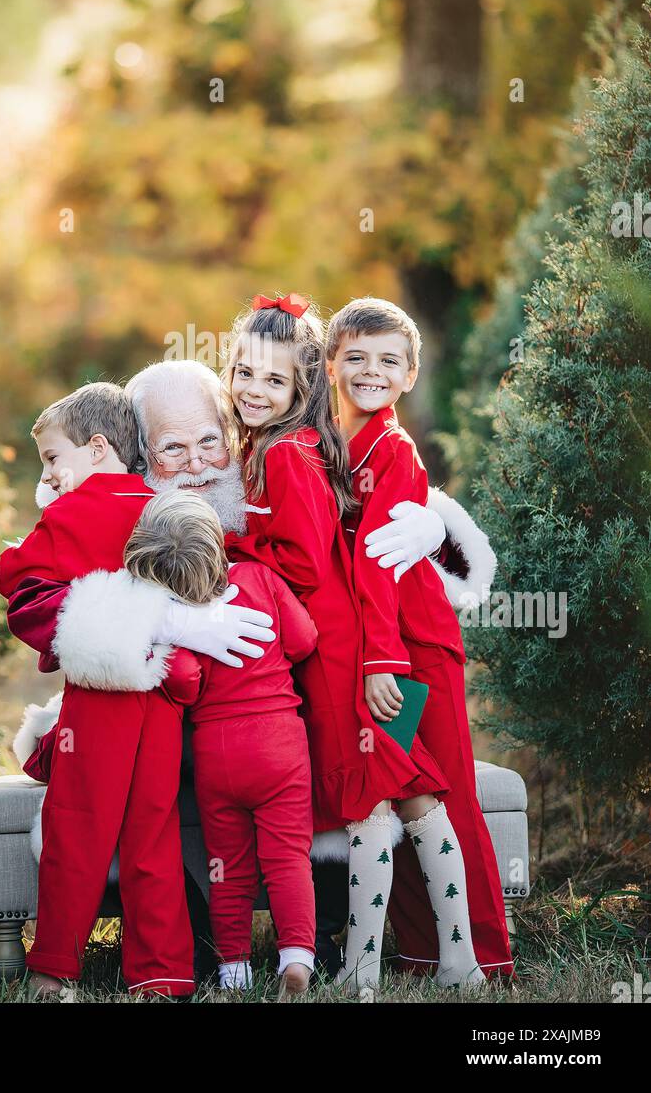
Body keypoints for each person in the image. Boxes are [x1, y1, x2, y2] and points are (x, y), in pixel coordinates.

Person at [219, 293, 482, 989]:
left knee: (377, 796)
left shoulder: (289, 454)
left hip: (346, 652)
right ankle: (455, 964)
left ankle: (373, 968)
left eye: (274, 380)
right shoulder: (280, 445)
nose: (253, 389)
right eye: (243, 373)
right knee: (408, 790)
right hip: (353, 642)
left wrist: (235, 546)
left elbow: (307, 563)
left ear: (302, 385)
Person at [0, 382, 203, 997]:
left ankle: (54, 968)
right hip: (162, 696)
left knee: (77, 828)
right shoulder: (163, 508)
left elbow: (17, 577)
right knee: (153, 833)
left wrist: (42, 521)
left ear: (96, 446)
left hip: (100, 695)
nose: (52, 476)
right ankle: (162, 973)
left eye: (54, 460)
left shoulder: (70, 514)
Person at [327, 296, 514, 981]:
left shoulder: (394, 451)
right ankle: (415, 950)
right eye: (355, 358)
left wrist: (382, 661)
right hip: (377, 648)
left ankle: (482, 955)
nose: (370, 371)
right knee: (390, 787)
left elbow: (380, 563)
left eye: (388, 361)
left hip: (410, 650)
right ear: (330, 364)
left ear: (410, 374)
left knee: (442, 791)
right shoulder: (331, 445)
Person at [124, 489, 319, 995]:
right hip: (280, 744)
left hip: (217, 755)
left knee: (226, 864)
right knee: (287, 856)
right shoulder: (260, 578)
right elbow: (304, 641)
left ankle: (233, 968)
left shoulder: (181, 628)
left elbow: (184, 685)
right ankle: (296, 955)